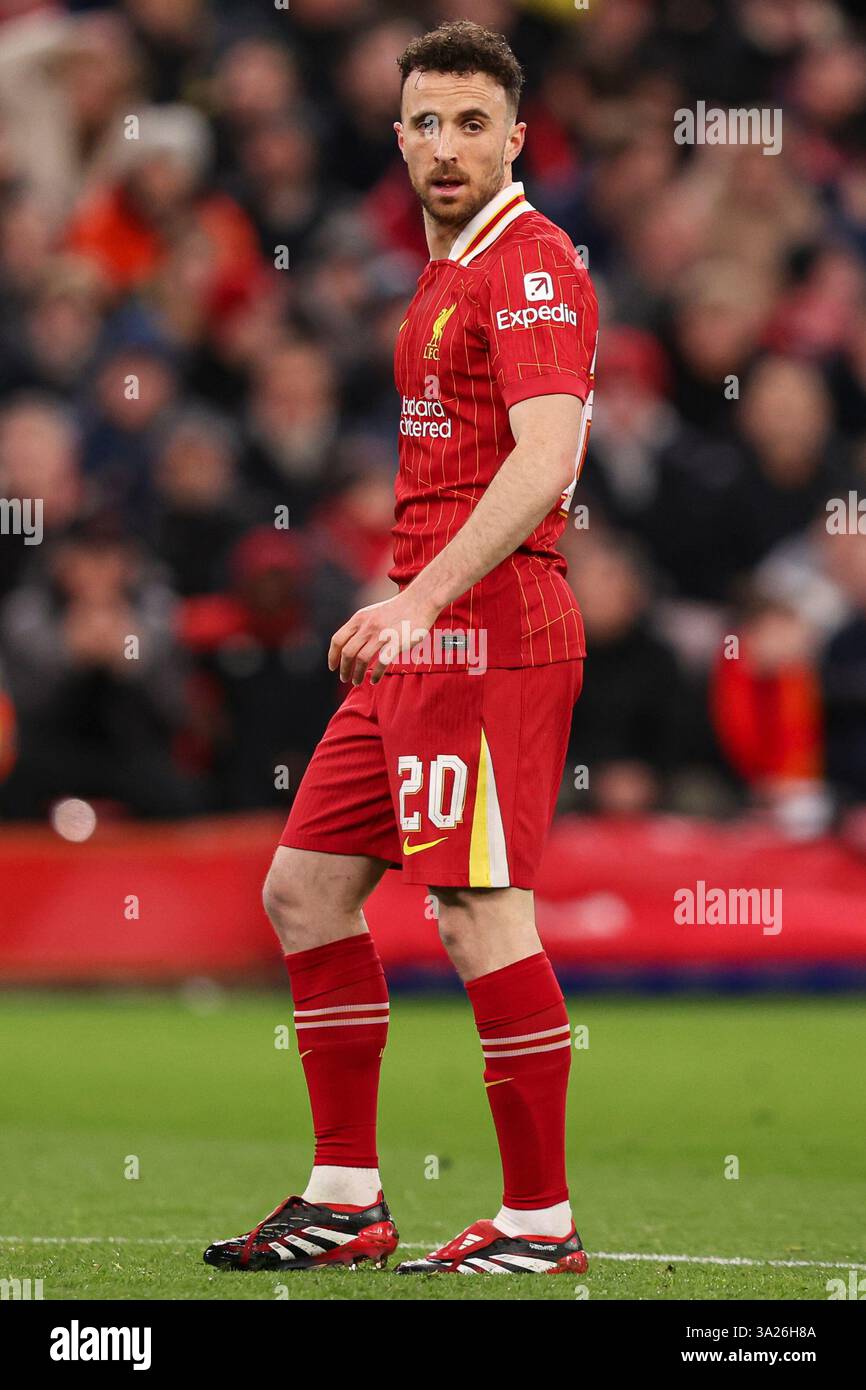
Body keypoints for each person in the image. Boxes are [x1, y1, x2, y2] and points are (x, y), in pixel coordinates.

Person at [204, 20, 597, 1279]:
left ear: (515, 138)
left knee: (480, 912)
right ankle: (345, 1198)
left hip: (485, 637)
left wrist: (420, 602)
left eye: (471, 123)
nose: (445, 145)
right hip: (421, 639)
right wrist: (411, 610)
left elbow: (547, 460)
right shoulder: (437, 269)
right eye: (424, 121)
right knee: (303, 890)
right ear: (395, 136)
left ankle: (539, 1220)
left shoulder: (525, 265)